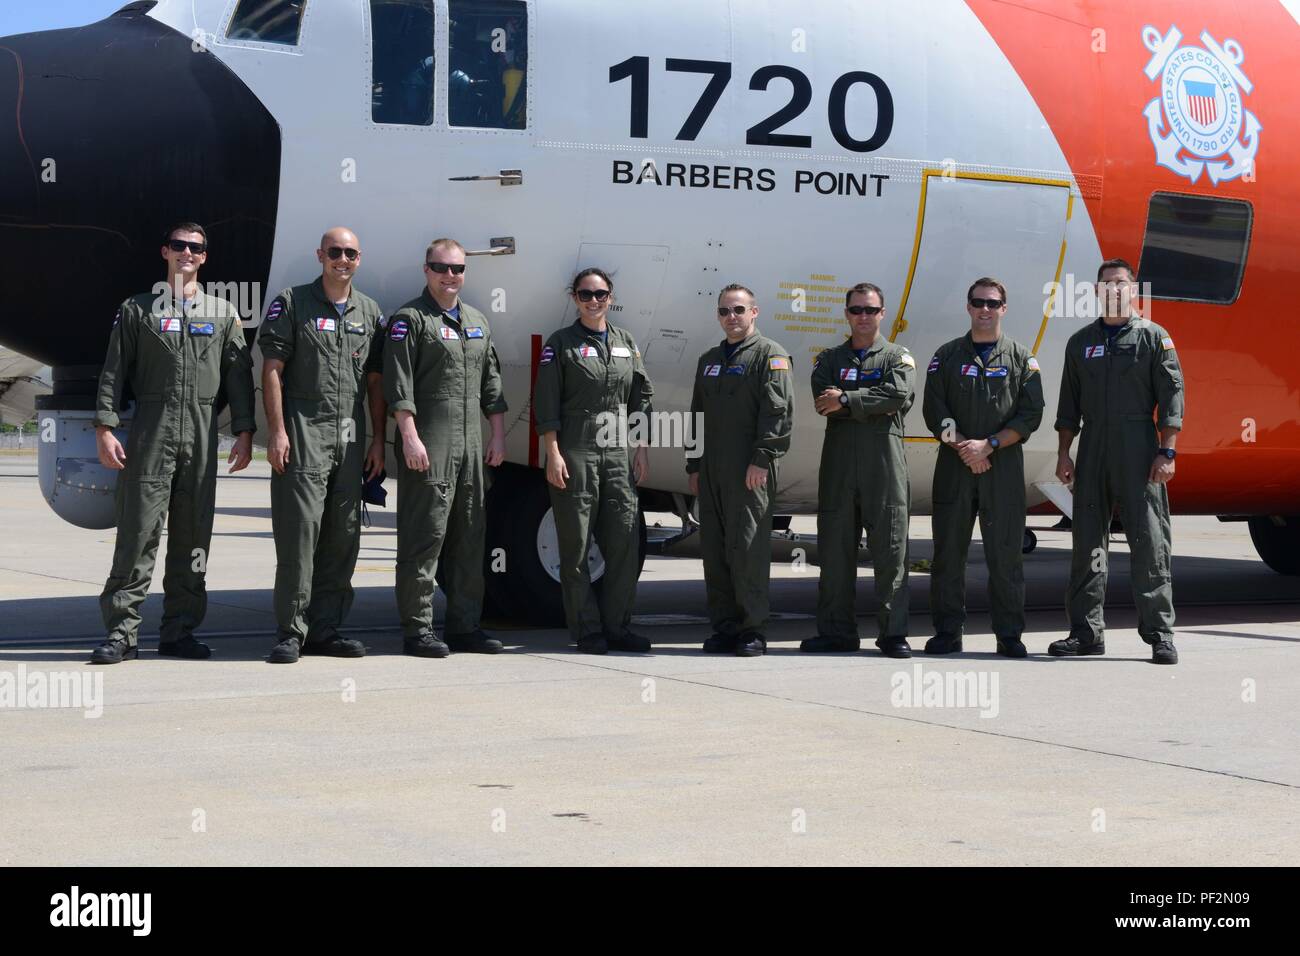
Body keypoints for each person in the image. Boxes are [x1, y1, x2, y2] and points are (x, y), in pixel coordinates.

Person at [91, 222, 255, 664]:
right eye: (179, 245)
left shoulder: (223, 313)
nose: (187, 253)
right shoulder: (137, 309)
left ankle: (180, 631)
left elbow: (239, 377)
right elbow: (113, 371)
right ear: (165, 251)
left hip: (201, 435)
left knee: (193, 541)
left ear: (204, 257)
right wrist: (105, 427)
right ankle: (122, 633)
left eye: (195, 248)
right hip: (152, 431)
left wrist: (244, 431)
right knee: (137, 536)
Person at [259, 228, 387, 664]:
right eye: (335, 251)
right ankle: (291, 632)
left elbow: (375, 382)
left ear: (359, 258)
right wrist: (277, 432)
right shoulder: (293, 303)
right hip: (303, 433)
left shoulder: (369, 311)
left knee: (342, 537)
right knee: (300, 536)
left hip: (350, 439)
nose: (342, 259)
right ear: (320, 255)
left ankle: (325, 628)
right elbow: (272, 369)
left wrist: (378, 440)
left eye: (350, 253)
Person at [1051, 258, 1184, 663]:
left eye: (1121, 283)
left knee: (1149, 540)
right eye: (1106, 283)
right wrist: (1064, 453)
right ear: (1096, 291)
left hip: (1138, 445)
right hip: (1093, 446)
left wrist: (1167, 450)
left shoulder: (1153, 337)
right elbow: (1069, 405)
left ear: (1133, 290)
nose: (1113, 289)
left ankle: (1160, 634)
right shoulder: (1080, 343)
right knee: (1088, 541)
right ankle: (1086, 632)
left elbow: (1172, 397)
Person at [384, 238, 507, 657]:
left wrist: (497, 435)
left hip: (471, 444)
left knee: (470, 537)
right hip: (430, 440)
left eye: (457, 269)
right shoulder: (410, 320)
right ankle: (417, 629)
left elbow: (491, 383)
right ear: (427, 270)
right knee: (425, 536)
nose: (450, 276)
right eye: (441, 268)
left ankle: (465, 625)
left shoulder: (477, 320)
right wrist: (409, 436)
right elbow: (398, 385)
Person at [921, 278, 1045, 658]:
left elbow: (1030, 415)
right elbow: (934, 412)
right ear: (968, 307)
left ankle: (1009, 635)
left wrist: (987, 446)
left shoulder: (1022, 359)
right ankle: (947, 632)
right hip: (955, 467)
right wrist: (966, 447)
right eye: (978, 302)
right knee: (948, 555)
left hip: (1002, 469)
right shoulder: (946, 356)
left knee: (1005, 556)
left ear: (1003, 308)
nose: (985, 309)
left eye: (992, 303)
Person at [532, 269, 653, 654]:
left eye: (600, 294)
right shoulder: (561, 344)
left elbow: (641, 396)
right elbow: (546, 402)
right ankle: (587, 629)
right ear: (575, 299)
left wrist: (641, 448)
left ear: (610, 297)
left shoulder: (625, 342)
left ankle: (617, 627)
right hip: (576, 448)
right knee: (575, 545)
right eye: (585, 294)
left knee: (624, 542)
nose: (594, 300)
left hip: (617, 450)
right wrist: (552, 453)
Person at [802, 283, 916, 658]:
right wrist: (867, 403)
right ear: (847, 314)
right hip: (839, 468)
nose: (863, 316)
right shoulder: (829, 360)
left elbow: (897, 396)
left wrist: (846, 399)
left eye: (870, 310)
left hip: (883, 466)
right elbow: (822, 400)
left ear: (882, 313)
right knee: (835, 553)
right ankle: (837, 632)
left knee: (891, 551)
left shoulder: (898, 357)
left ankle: (893, 633)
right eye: (856, 310)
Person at [687, 284, 794, 657]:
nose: (731, 317)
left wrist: (762, 459)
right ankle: (725, 627)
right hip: (711, 469)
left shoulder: (770, 356)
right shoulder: (709, 359)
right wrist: (694, 464)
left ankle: (752, 629)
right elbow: (697, 414)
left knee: (747, 548)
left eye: (738, 310)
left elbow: (778, 413)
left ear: (754, 312)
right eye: (724, 311)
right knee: (715, 549)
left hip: (749, 468)